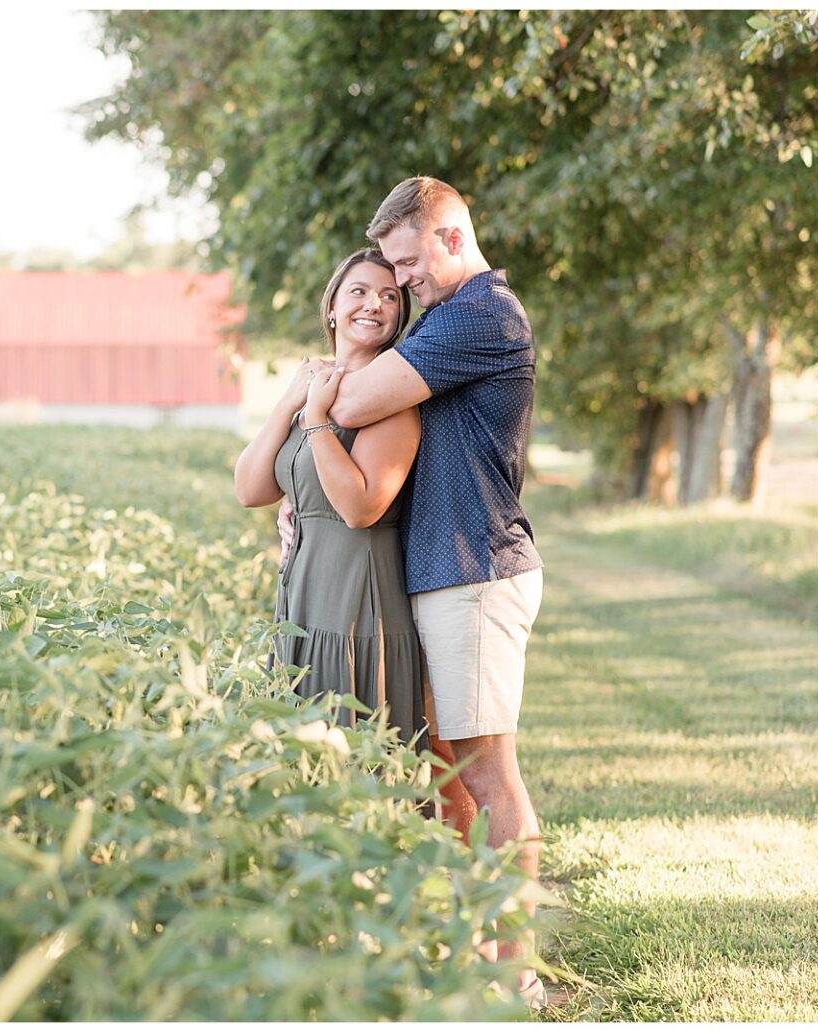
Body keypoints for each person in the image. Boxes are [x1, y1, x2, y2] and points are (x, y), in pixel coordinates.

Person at [281, 176, 546, 1009]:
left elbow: (355, 398)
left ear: (452, 240)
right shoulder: (445, 317)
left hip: (475, 571)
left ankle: (516, 974)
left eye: (406, 264)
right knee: (443, 772)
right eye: (387, 270)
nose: (400, 284)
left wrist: (315, 398)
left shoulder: (480, 315)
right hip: (437, 572)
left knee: (488, 773)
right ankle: (466, 941)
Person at [233, 248, 428, 747]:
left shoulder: (392, 402)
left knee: (358, 749)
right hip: (301, 595)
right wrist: (292, 401)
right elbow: (250, 489)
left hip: (359, 599)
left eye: (390, 297)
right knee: (301, 757)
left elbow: (361, 508)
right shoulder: (313, 393)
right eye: (359, 292)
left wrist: (317, 419)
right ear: (332, 309)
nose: (375, 304)